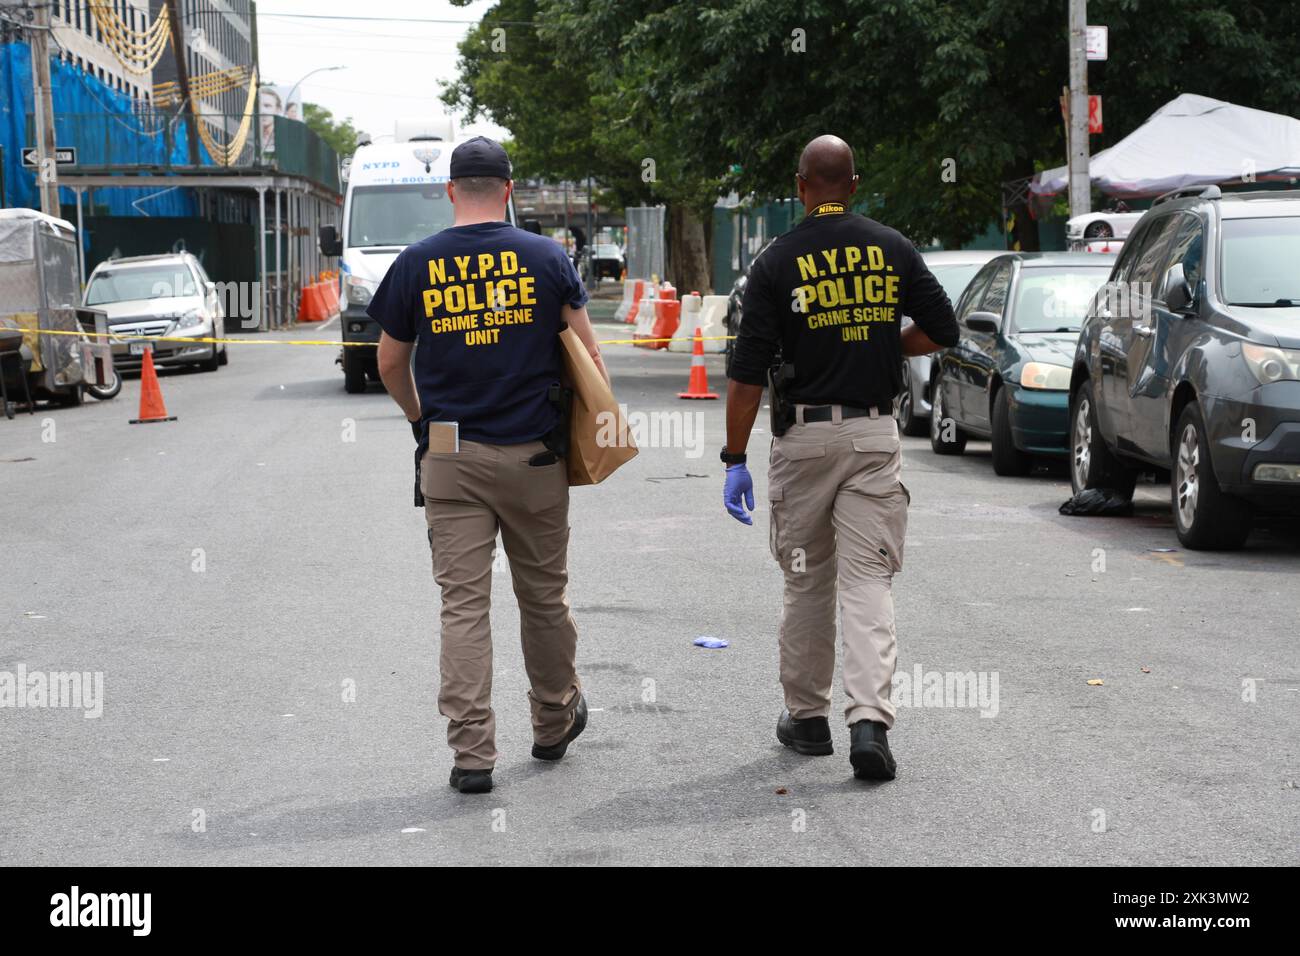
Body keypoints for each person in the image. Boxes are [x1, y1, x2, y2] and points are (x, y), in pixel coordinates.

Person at [367, 136, 610, 794]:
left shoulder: (415, 264)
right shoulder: (546, 257)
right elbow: (588, 358)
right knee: (543, 597)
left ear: (450, 191)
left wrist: (421, 419)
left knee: (463, 607)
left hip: (448, 449)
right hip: (535, 452)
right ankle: (554, 720)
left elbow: (389, 361)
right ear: (509, 189)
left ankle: (473, 753)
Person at [722, 134, 958, 781]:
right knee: (869, 580)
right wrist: (885, 346)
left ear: (800, 187)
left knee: (805, 576)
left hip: (803, 440)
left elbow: (745, 375)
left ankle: (805, 719)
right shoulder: (893, 248)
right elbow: (944, 328)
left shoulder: (775, 263)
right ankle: (869, 724)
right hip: (874, 438)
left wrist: (733, 456)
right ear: (854, 185)